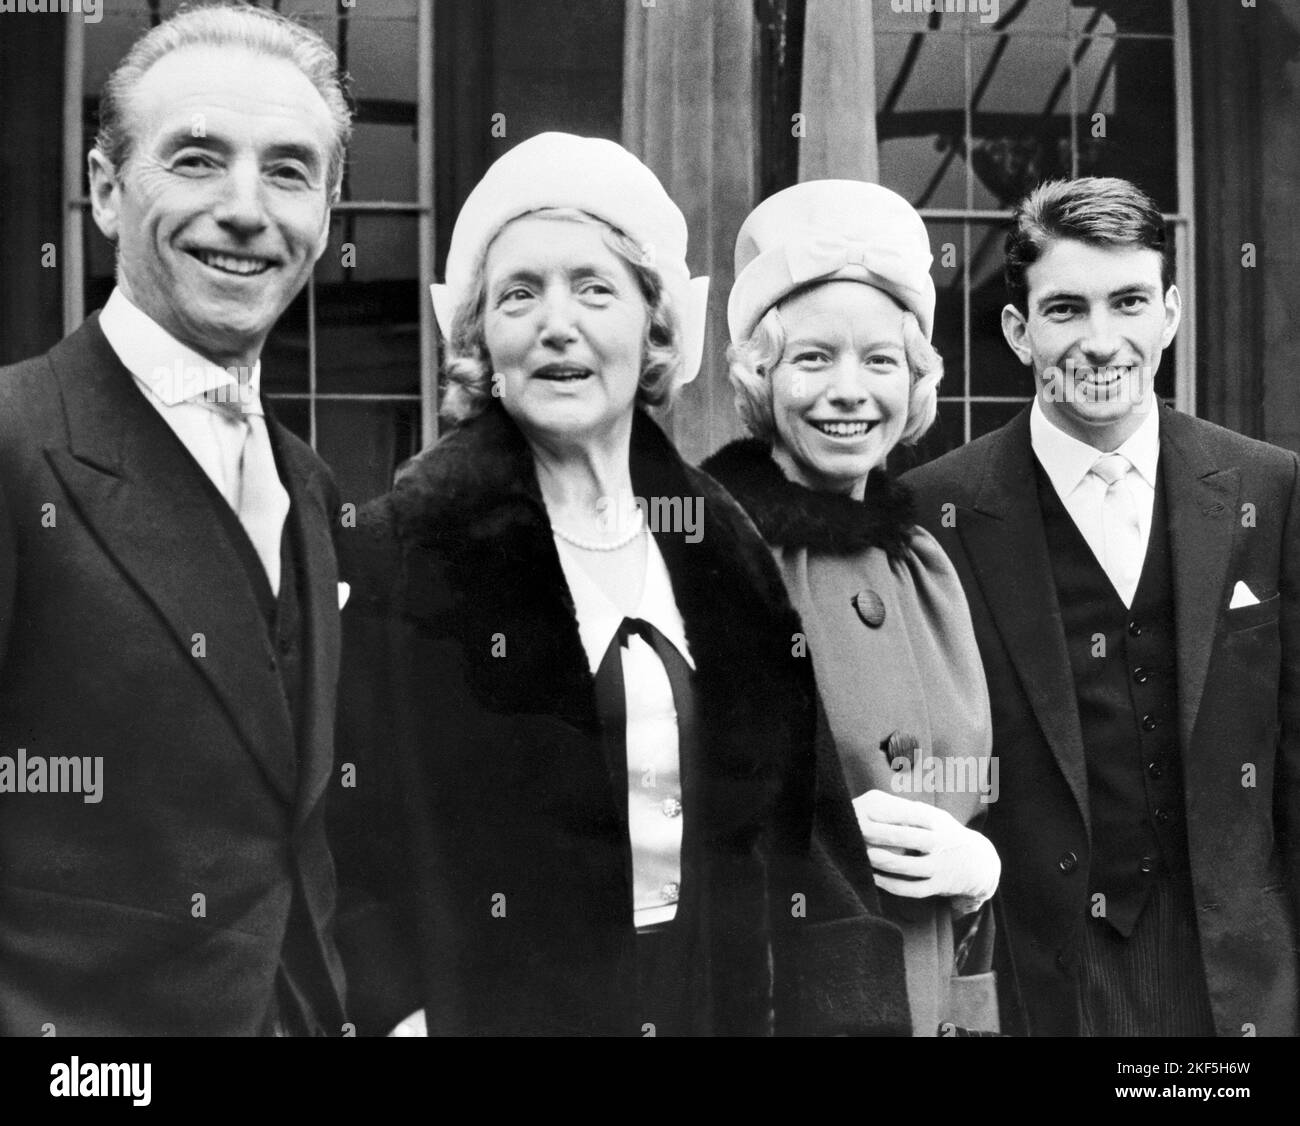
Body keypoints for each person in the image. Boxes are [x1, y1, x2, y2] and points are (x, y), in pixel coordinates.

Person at [329, 133, 909, 1037]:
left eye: (594, 288)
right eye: (519, 294)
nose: (557, 322)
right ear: (482, 337)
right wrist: (395, 1013)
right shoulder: (402, 550)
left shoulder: (724, 547)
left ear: (654, 327)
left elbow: (807, 833)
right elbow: (340, 839)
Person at [0, 4, 351, 1035]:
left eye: (289, 172)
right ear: (106, 192)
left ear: (326, 214)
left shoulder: (312, 486)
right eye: (197, 159)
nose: (246, 210)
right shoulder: (13, 442)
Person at [905, 176, 1300, 1036]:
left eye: (1127, 303)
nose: (1101, 341)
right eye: (1065, 310)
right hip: (1039, 976)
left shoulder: (1268, 490)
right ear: (1019, 330)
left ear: (1169, 313)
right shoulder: (935, 511)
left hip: (1237, 978)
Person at [703, 180, 1002, 1037]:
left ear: (915, 382)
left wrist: (980, 865)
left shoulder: (924, 564)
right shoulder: (711, 556)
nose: (850, 391)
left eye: (880, 361)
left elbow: (980, 785)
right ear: (761, 376)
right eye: (812, 358)